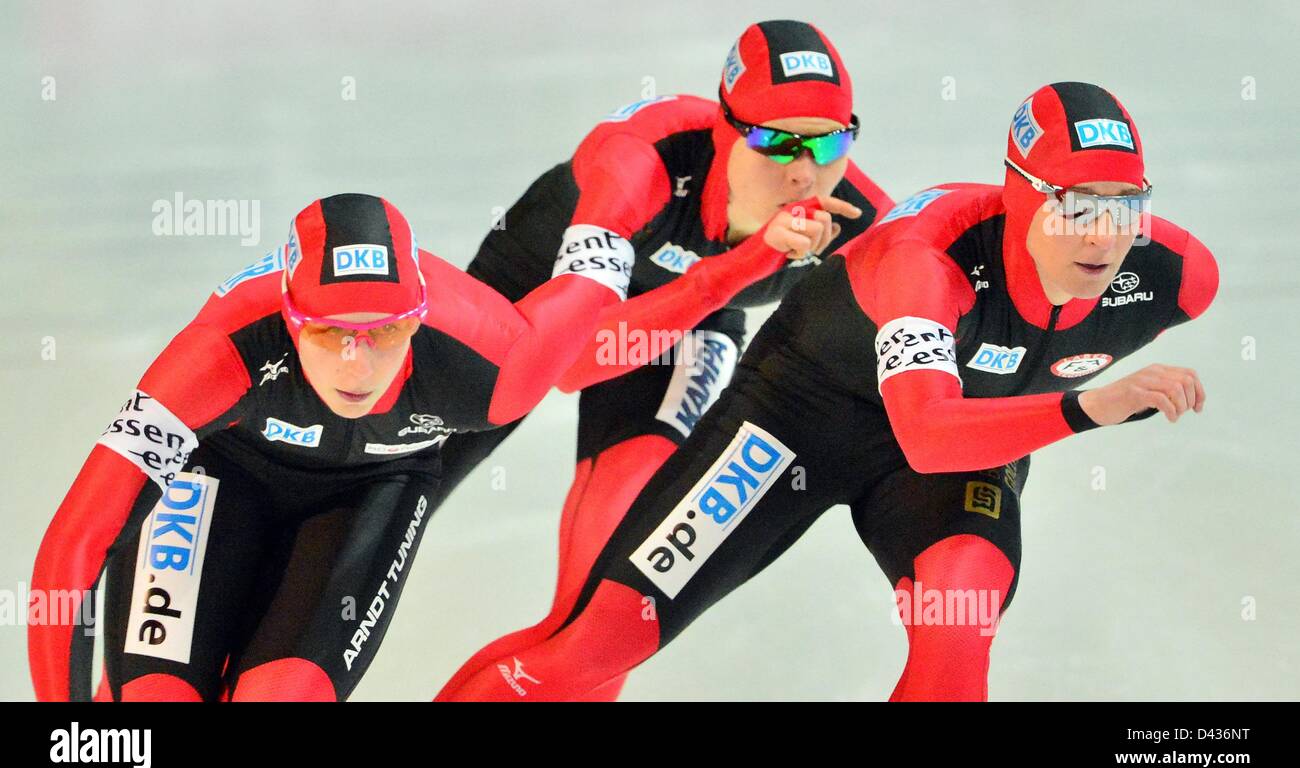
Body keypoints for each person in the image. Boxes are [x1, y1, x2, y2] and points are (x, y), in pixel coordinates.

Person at [438, 82, 1220, 702]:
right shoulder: (930, 261)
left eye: (1125, 206)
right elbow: (923, 430)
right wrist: (1089, 407)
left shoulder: (1178, 279)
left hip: (961, 444)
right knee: (595, 646)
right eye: (1075, 206)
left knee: (960, 616)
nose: (1103, 234)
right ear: (1018, 196)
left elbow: (939, 443)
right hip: (798, 420)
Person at [28, 191, 823, 701]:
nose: (355, 362)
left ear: (418, 319)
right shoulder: (218, 356)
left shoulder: (493, 361)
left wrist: (756, 256)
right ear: (291, 320)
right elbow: (75, 544)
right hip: (219, 475)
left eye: (383, 334)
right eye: (331, 335)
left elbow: (589, 311)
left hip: (371, 489)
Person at [432, 19, 892, 702]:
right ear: (726, 127)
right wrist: (752, 261)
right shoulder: (642, 160)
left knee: (599, 619)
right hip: (538, 294)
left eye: (830, 140)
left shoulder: (860, 218)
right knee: (395, 499)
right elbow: (570, 364)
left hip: (688, 326)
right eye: (775, 141)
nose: (804, 170)